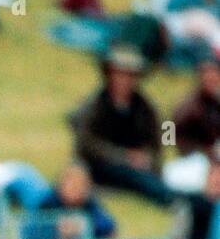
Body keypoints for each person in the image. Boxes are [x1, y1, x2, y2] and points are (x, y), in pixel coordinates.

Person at [68, 46, 171, 204]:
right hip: (100, 165)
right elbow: (85, 143)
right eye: (120, 73)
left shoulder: (145, 107)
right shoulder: (94, 105)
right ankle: (168, 197)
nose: (125, 80)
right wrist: (124, 157)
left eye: (131, 75)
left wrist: (150, 158)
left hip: (138, 165)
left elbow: (165, 131)